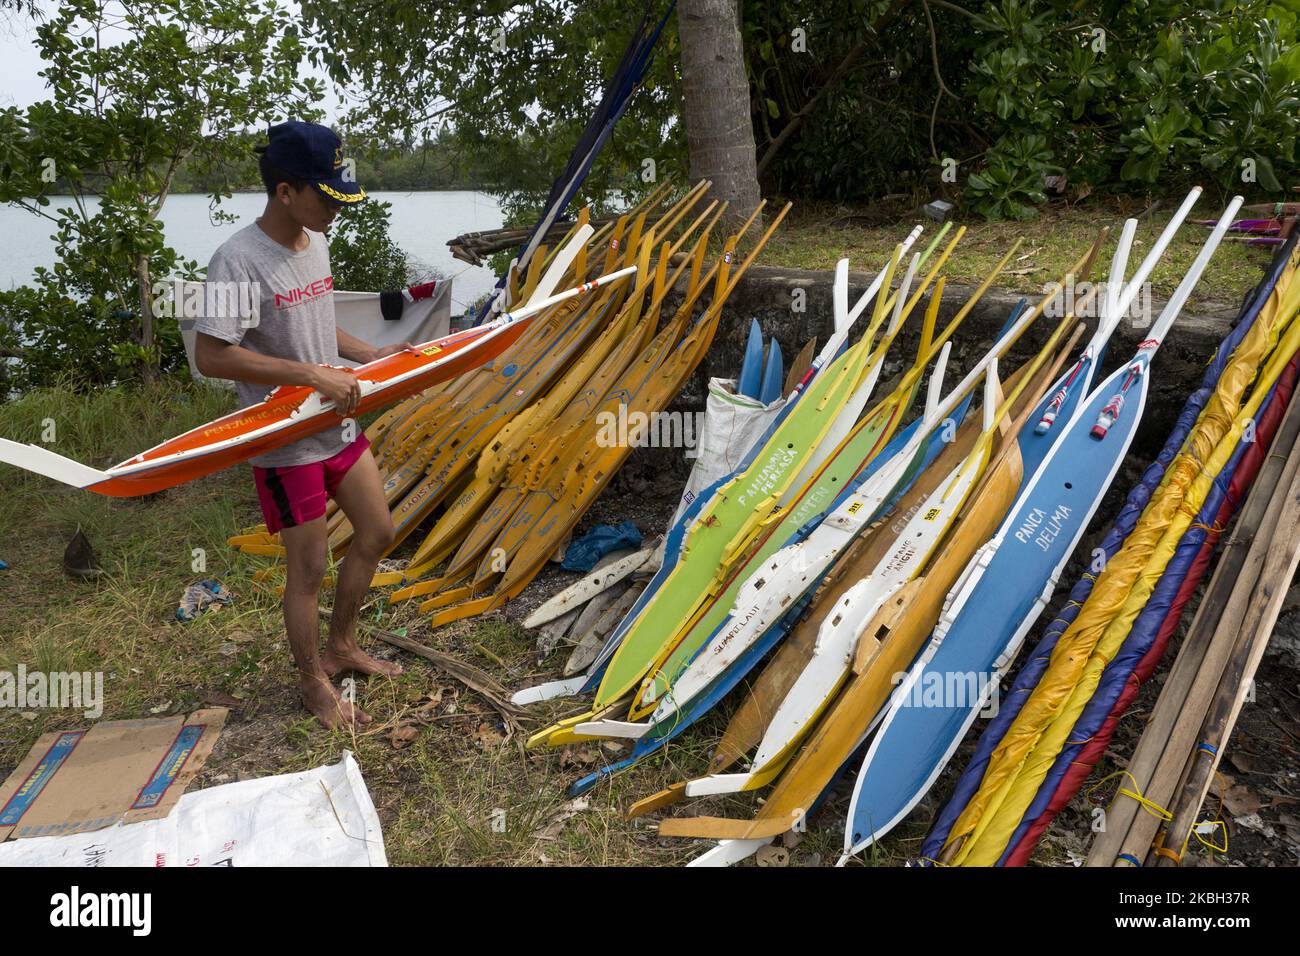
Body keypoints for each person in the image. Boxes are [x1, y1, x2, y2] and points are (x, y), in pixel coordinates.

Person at [194, 121, 404, 730]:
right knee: (310, 569)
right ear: (285, 192)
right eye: (326, 195)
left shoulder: (315, 240)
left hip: (336, 424)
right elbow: (212, 355)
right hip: (286, 440)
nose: (336, 208)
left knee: (377, 531)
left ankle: (342, 645)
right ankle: (313, 682)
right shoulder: (237, 261)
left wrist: (363, 354)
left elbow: (314, 318)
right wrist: (311, 375)